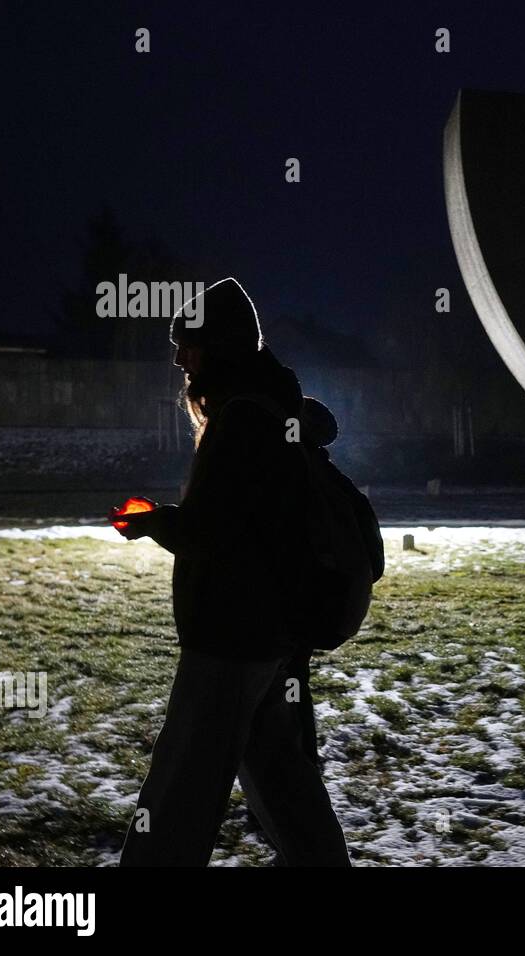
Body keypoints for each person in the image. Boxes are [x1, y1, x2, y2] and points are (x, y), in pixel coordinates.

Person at [116, 277, 350, 866]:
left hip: (232, 636)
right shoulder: (266, 408)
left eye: (188, 344)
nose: (178, 357)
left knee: (181, 787)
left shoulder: (242, 420)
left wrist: (151, 521)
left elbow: (211, 533)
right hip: (268, 636)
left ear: (219, 346)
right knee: (281, 779)